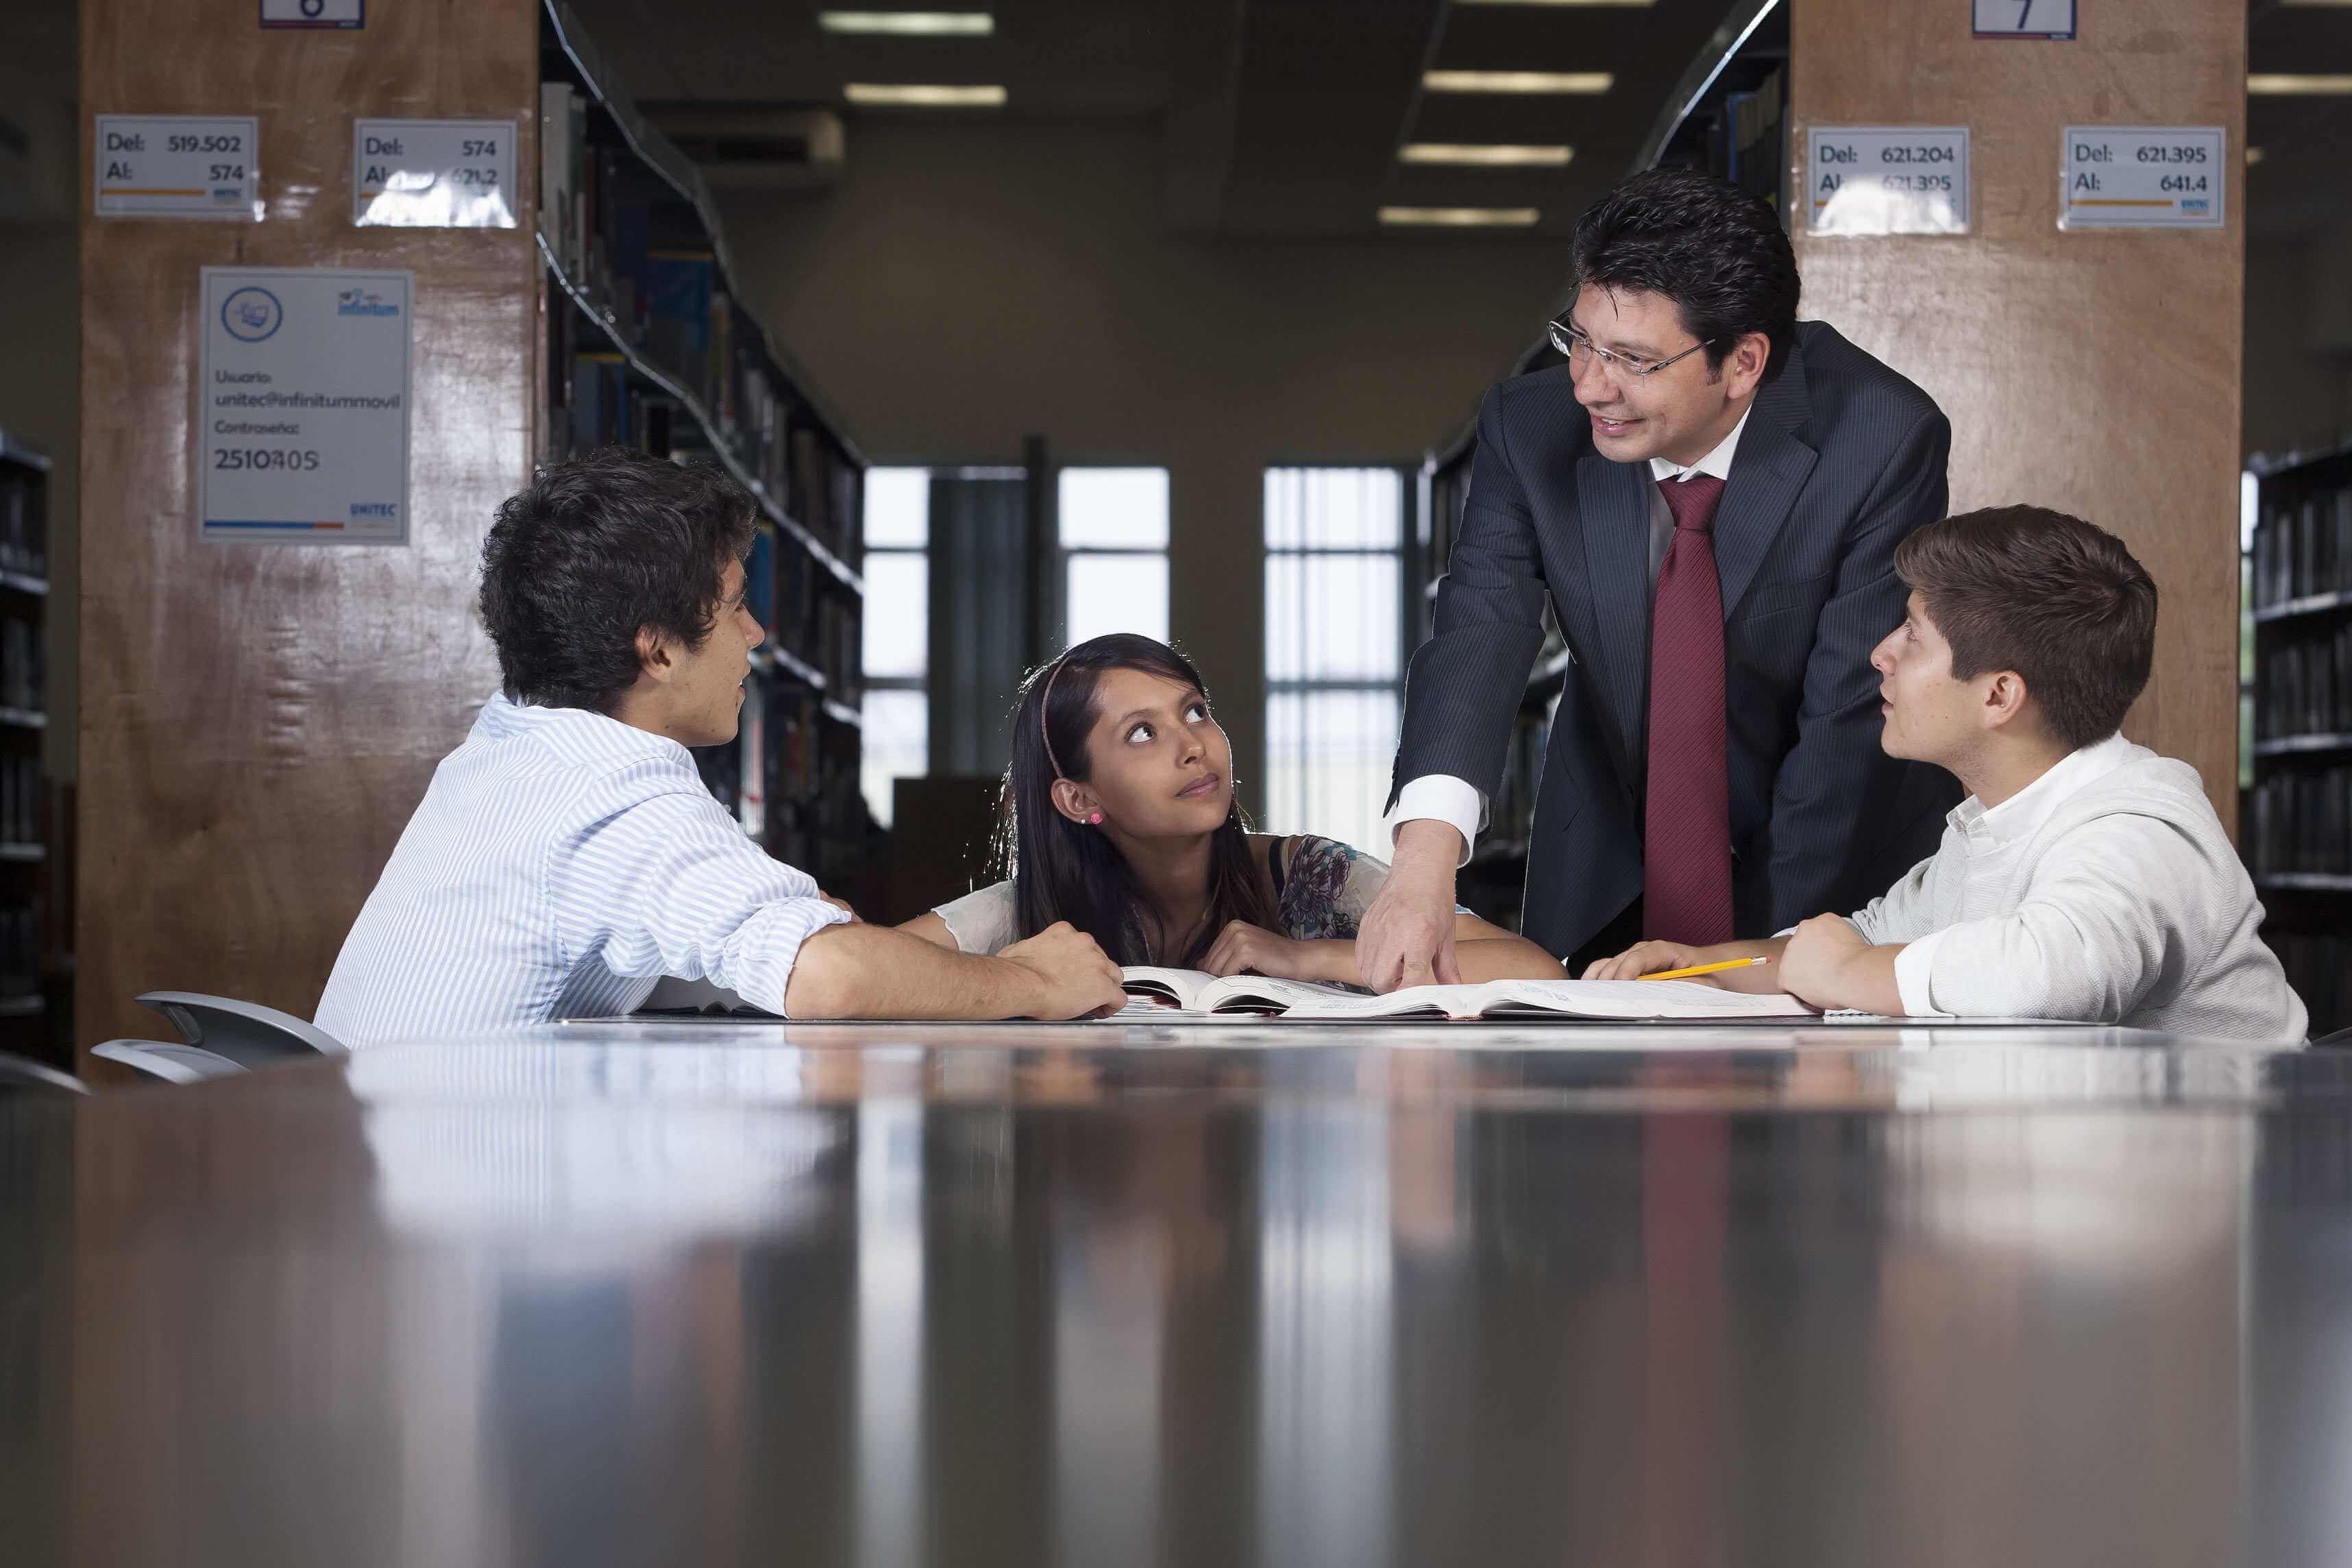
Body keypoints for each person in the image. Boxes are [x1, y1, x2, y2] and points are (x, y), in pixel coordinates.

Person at [1360, 166, 1962, 990]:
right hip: (1614, 855)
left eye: (1633, 360)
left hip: (1831, 872)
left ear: (1744, 362)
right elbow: (1480, 628)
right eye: (1580, 340)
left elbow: (1845, 729)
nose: (1587, 385)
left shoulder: (1881, 437)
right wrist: (1422, 865)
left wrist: (1743, 970)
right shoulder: (1528, 427)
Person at [315, 449, 1125, 1043]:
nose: (757, 635)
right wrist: (1029, 981)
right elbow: (831, 978)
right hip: (445, 1230)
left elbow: (681, 939)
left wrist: (803, 929)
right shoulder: (621, 797)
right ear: (658, 650)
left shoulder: (512, 743)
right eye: (736, 605)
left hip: (381, 1175)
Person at [1584, 507, 2307, 1042]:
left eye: (1912, 637)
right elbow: (1864, 944)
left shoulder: (2138, 827)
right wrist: (1701, 963)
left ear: (1999, 694)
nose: (1880, 655)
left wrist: (1842, 976)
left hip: (2204, 1214)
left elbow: (2052, 975)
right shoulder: (1988, 821)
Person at [900, 633, 1567, 985]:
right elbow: (861, 965)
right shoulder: (1034, 906)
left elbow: (1532, 968)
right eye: (1142, 732)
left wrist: (1308, 959)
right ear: (1079, 797)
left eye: (1195, 711)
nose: (1193, 745)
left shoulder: (1308, 873)